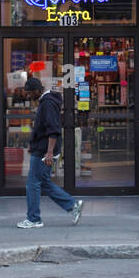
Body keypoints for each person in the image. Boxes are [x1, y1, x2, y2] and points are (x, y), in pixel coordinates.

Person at [17, 76, 83, 229]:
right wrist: (33, 143)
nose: (28, 96)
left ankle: (33, 219)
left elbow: (53, 130)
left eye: (29, 93)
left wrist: (49, 152)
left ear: (36, 91)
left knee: (32, 184)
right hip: (41, 148)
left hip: (44, 151)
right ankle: (73, 205)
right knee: (44, 183)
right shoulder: (46, 102)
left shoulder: (47, 104)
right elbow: (43, 128)